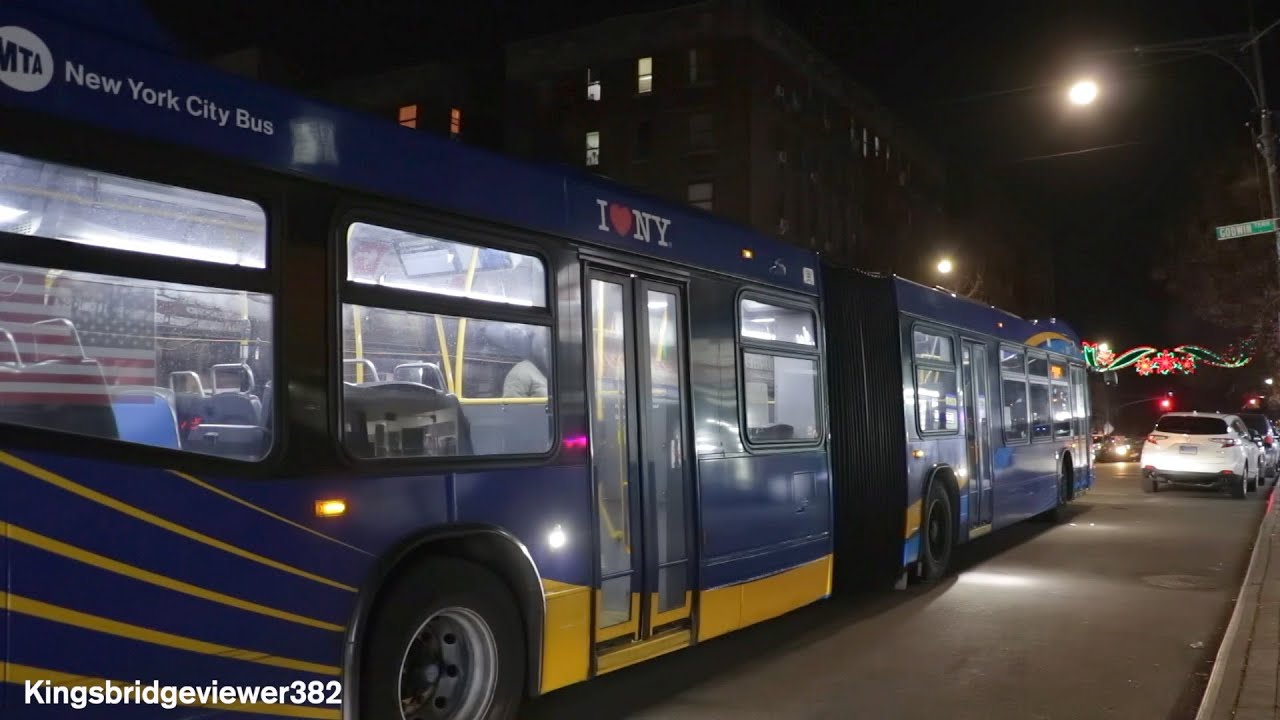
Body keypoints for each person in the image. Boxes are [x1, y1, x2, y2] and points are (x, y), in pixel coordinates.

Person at [503, 330, 549, 397]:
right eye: (546, 348)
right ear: (538, 349)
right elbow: (512, 405)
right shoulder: (521, 372)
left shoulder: (549, 373)